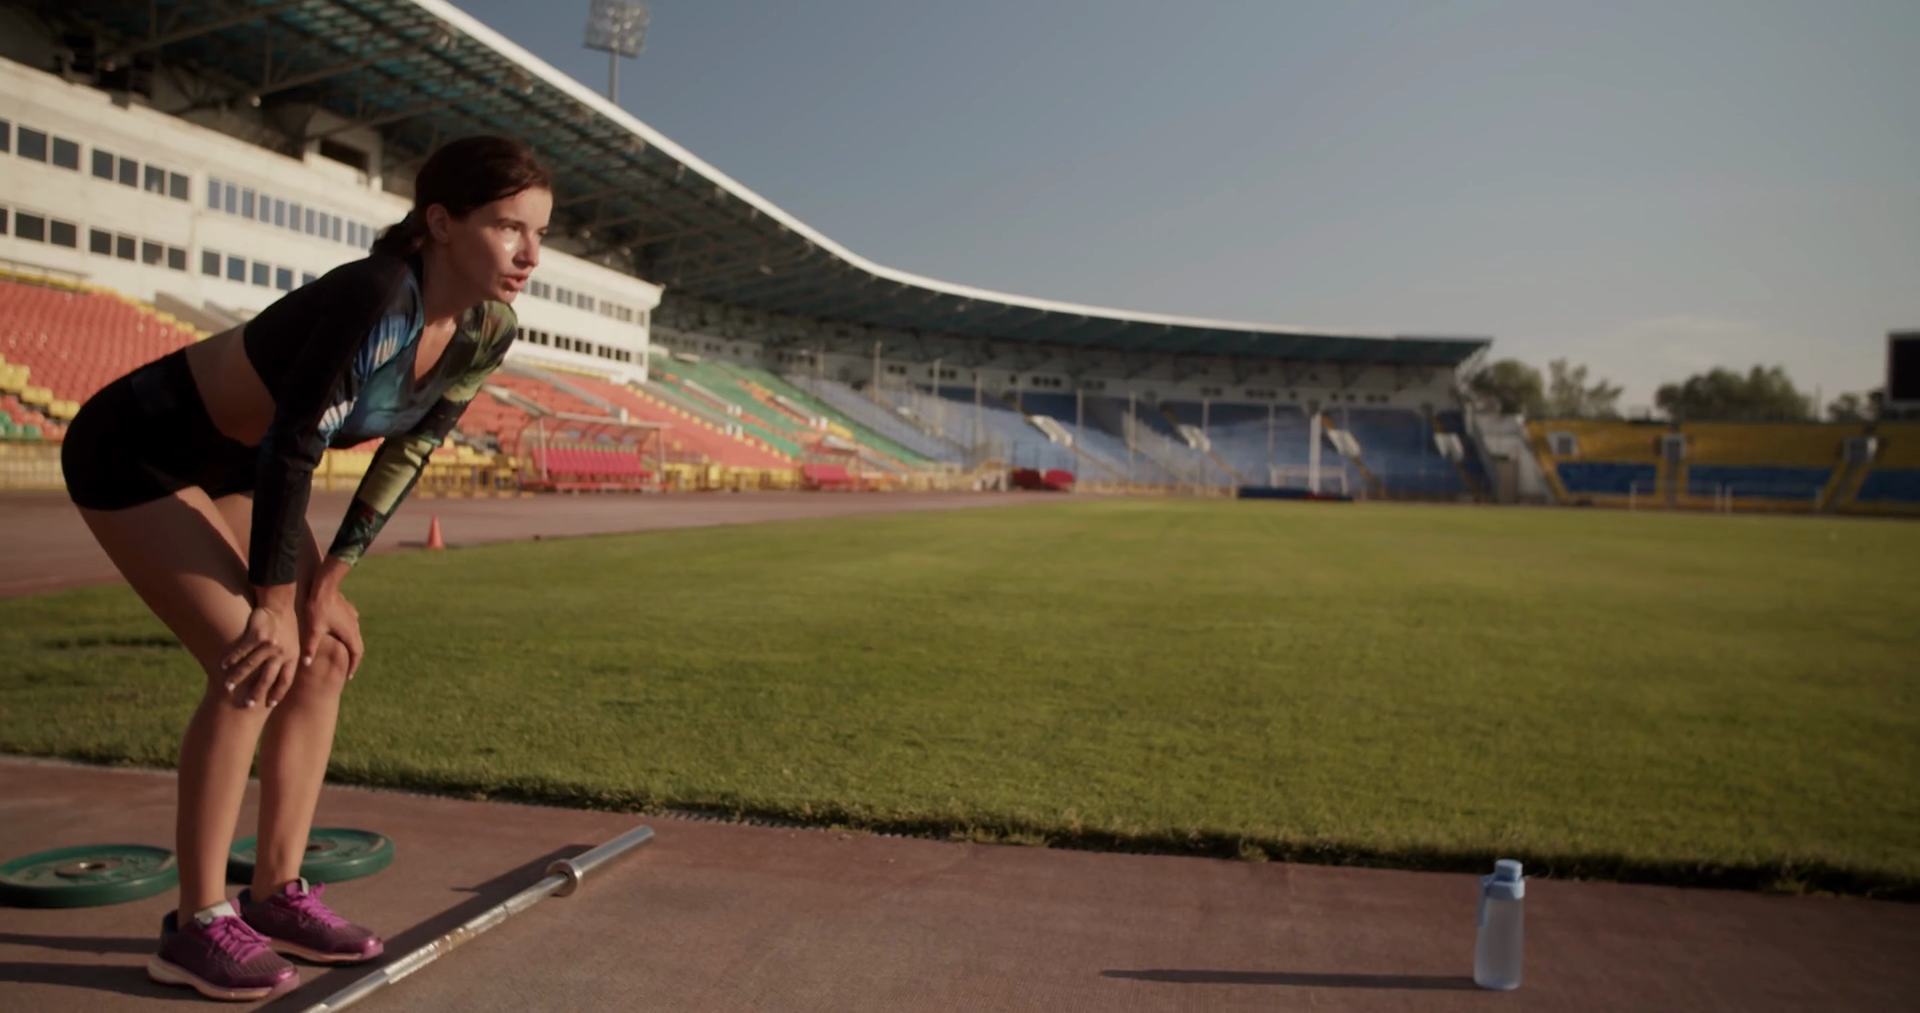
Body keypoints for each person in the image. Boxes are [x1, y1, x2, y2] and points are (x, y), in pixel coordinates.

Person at [59, 135, 550, 1002]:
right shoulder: (377, 296)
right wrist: (273, 602)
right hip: (138, 448)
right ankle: (198, 922)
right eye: (508, 227)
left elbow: (408, 454)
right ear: (440, 222)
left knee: (325, 651)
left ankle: (276, 891)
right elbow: (296, 444)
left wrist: (327, 589)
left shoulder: (486, 330)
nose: (529, 253)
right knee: (255, 661)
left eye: (539, 233)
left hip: (239, 465)